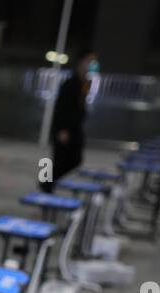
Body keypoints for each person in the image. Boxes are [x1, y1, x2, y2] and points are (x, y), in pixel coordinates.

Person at [42, 50, 97, 193]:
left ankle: (46, 181)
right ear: (81, 62)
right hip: (65, 129)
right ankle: (45, 183)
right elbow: (62, 108)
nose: (91, 65)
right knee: (59, 159)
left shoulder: (84, 83)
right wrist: (62, 129)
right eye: (89, 61)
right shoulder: (70, 83)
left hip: (76, 128)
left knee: (75, 159)